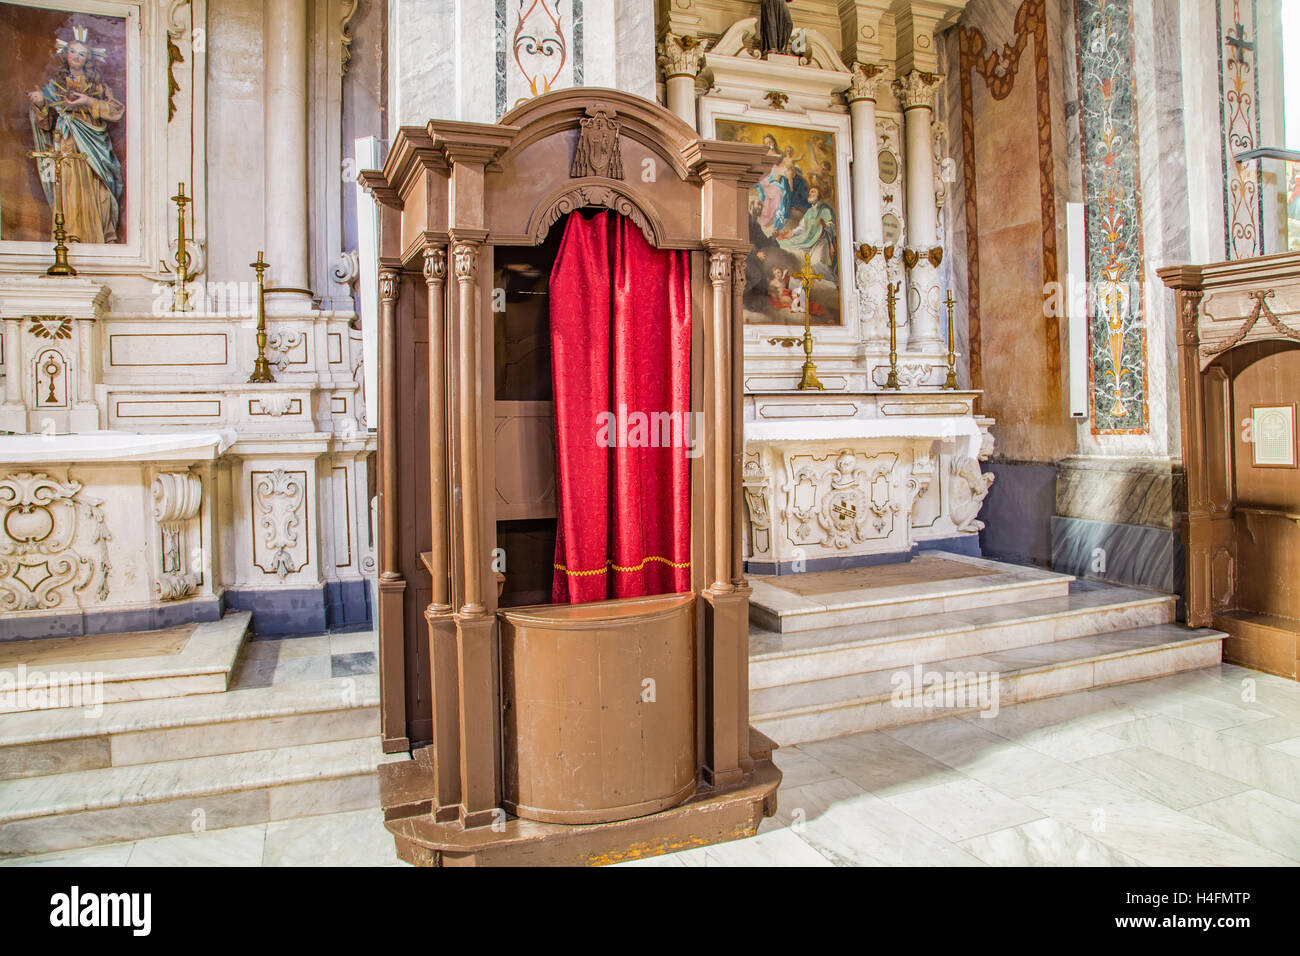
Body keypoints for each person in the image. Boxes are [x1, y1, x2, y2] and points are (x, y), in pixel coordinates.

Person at [28, 27, 125, 244]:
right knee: (69, 187)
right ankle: (71, 234)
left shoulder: (98, 84)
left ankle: (102, 234)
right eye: (73, 51)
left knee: (99, 187)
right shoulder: (54, 85)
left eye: (82, 54)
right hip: (67, 141)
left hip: (94, 141)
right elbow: (44, 124)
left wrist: (89, 102)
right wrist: (40, 103)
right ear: (65, 54)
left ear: (88, 59)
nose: (77, 57)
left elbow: (117, 110)